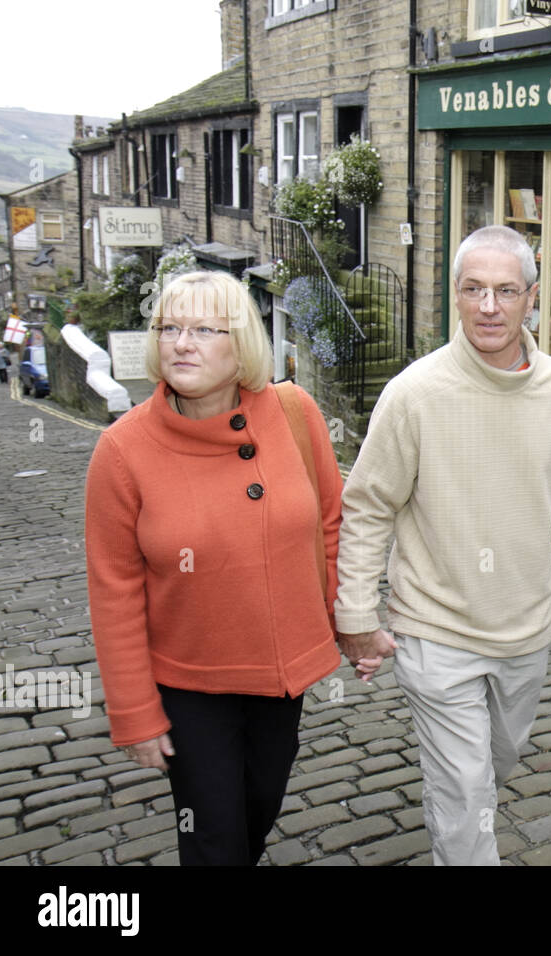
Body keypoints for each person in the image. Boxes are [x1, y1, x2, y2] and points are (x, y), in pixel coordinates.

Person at [335, 225, 551, 866]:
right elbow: (369, 505)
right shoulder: (415, 394)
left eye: (505, 291)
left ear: (532, 298)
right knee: (466, 784)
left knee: (495, 765)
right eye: (474, 290)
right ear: (454, 297)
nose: (489, 307)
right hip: (435, 628)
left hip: (524, 630)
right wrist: (355, 614)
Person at [84, 271, 344, 866]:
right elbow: (114, 591)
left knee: (256, 813)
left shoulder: (294, 413)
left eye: (204, 329)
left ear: (244, 343)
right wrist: (135, 714)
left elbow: (331, 524)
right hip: (190, 685)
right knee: (213, 840)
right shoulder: (122, 451)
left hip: (279, 679)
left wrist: (338, 621)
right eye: (169, 328)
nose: (182, 343)